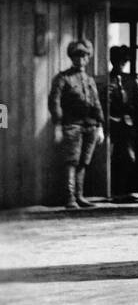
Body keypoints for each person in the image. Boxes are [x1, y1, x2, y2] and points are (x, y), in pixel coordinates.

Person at [48, 39, 105, 211]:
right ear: (71, 58)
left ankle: (80, 196)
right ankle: (70, 197)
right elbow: (54, 102)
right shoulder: (62, 78)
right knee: (71, 161)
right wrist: (57, 125)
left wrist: (100, 126)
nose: (81, 60)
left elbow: (96, 103)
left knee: (83, 162)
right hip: (72, 125)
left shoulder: (89, 80)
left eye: (84, 57)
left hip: (90, 126)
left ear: (88, 59)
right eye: (77, 57)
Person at [108, 45, 138, 202]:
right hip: (112, 124)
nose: (120, 65)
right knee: (111, 158)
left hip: (128, 125)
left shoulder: (130, 79)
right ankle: (112, 191)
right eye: (118, 61)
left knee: (129, 157)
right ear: (112, 61)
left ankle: (126, 190)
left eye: (123, 62)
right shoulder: (107, 79)